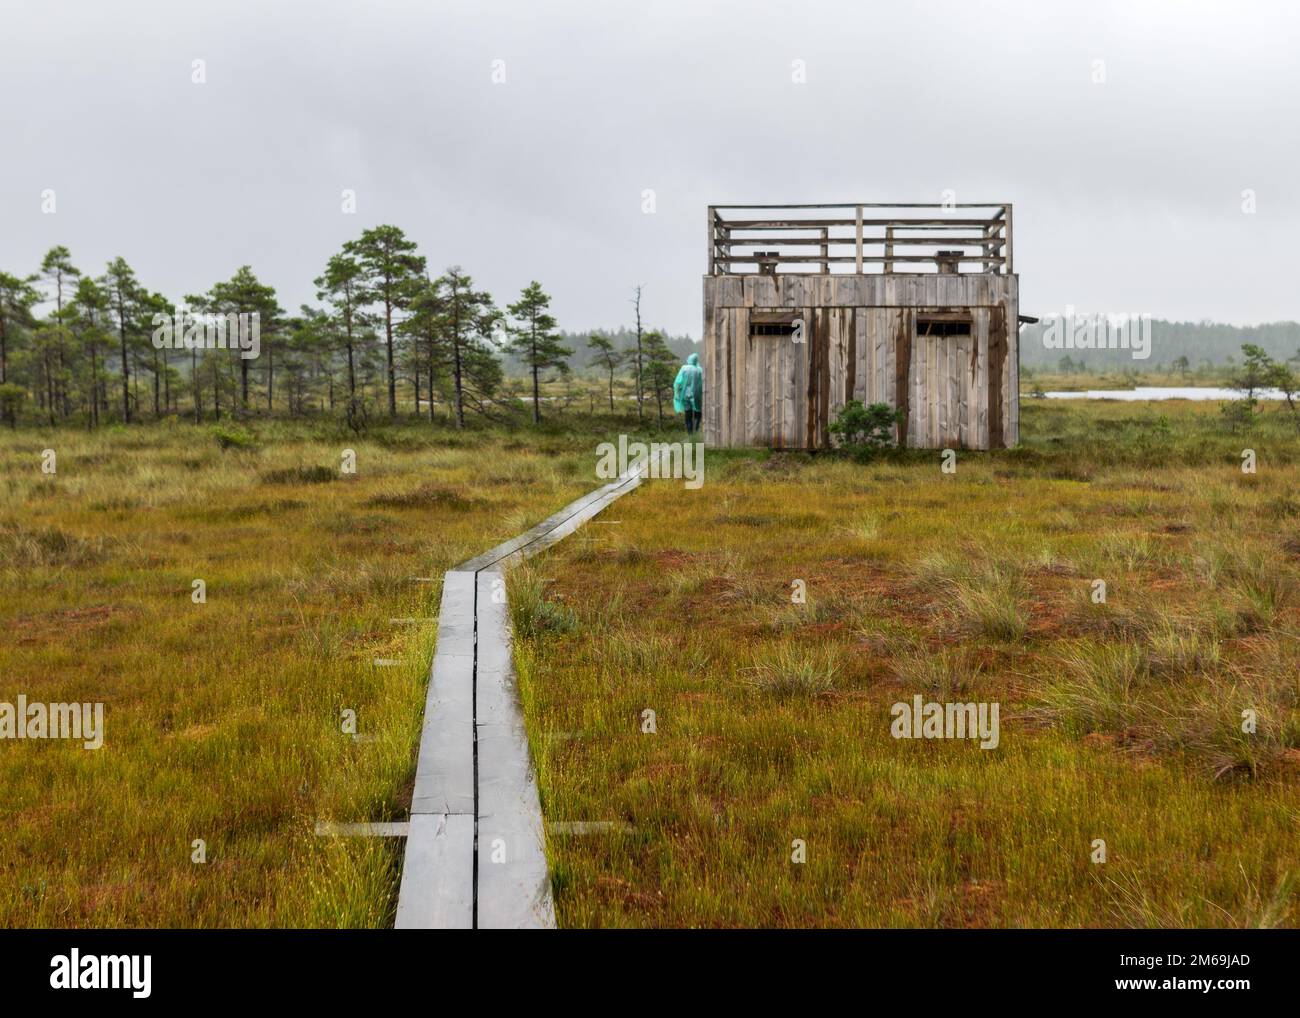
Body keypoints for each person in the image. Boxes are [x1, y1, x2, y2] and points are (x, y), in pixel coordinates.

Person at [673, 352, 704, 435]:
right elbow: (703, 383)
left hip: (686, 395)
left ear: (689, 359)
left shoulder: (684, 368)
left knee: (688, 414)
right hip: (697, 395)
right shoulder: (699, 370)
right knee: (698, 413)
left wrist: (676, 394)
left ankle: (690, 434)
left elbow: (677, 382)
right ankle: (696, 431)